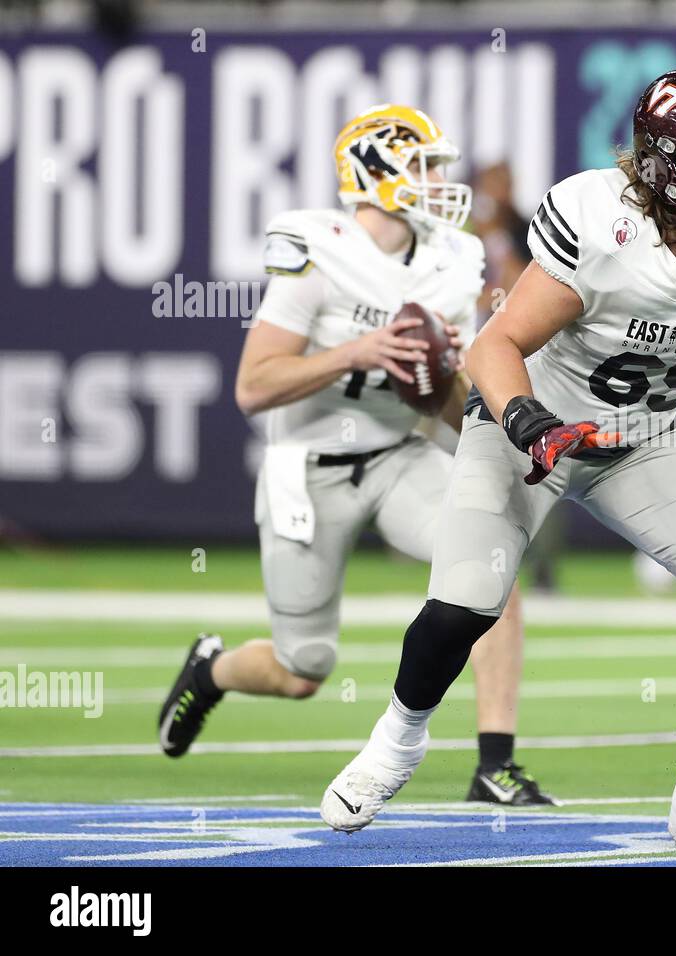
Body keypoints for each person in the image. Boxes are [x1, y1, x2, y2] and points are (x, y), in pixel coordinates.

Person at [319, 67, 676, 854]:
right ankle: (396, 742)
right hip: (529, 419)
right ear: (661, 162)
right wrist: (528, 422)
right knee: (467, 600)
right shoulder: (602, 219)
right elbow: (498, 342)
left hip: (645, 434)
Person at [158, 105, 553, 807]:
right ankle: (213, 669)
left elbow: (440, 397)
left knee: (490, 572)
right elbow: (254, 386)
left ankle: (496, 766)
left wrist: (473, 408)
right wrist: (357, 352)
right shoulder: (318, 251)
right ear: (375, 173)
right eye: (424, 165)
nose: (438, 180)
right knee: (302, 667)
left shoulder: (451, 258)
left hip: (400, 454)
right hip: (309, 470)